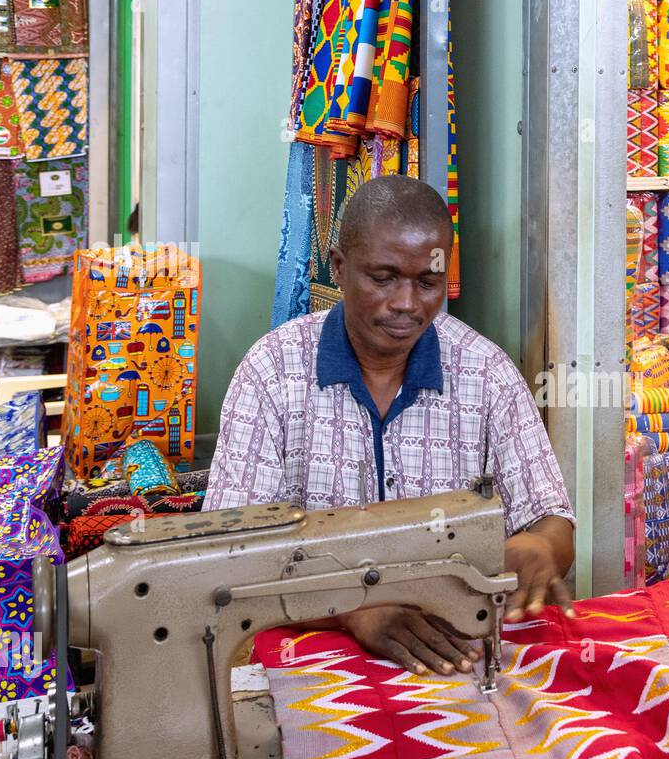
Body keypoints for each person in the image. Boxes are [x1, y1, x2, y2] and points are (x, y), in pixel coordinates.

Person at [206, 176, 575, 677]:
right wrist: (352, 609)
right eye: (383, 278)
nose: (407, 303)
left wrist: (540, 547)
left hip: (452, 657)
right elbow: (230, 558)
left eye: (428, 282)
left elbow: (552, 522)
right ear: (339, 267)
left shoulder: (485, 373)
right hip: (308, 661)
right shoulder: (272, 373)